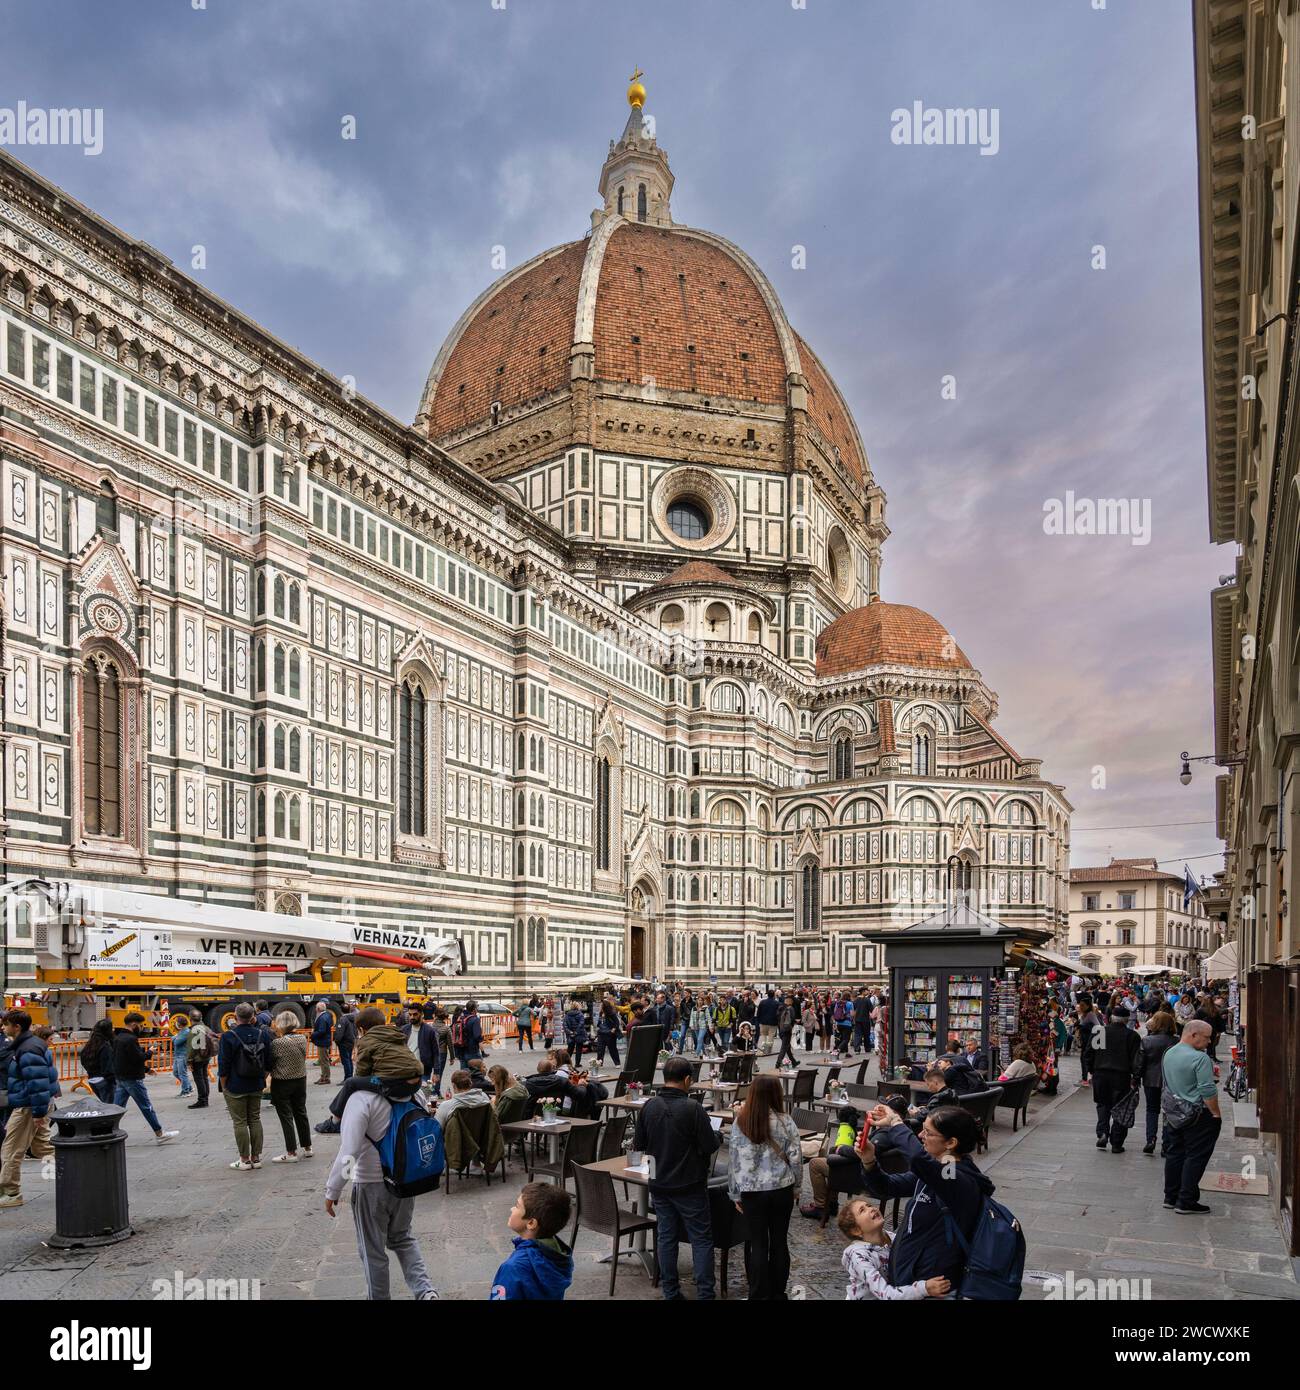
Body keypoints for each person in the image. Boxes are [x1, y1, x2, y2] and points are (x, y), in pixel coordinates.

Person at [324, 1069, 438, 1300]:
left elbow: (349, 1152)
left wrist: (334, 1188)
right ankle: (426, 1292)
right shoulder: (415, 1094)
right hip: (405, 1181)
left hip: (370, 1184)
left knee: (372, 1250)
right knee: (403, 1238)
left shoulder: (360, 1099)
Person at [858, 1104, 995, 1292]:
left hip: (932, 1286)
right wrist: (869, 1160)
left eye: (928, 1133)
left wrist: (895, 1122)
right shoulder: (940, 1170)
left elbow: (916, 1158)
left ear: (950, 1143)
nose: (921, 1136)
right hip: (911, 1281)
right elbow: (886, 1187)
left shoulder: (955, 1178)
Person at [633, 1055, 722, 1300]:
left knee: (666, 1236)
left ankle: (671, 1291)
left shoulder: (649, 1106)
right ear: (686, 1080)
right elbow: (709, 1145)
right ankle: (705, 1294)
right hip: (690, 1183)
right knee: (701, 1239)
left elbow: (639, 1144)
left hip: (659, 1182)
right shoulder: (693, 1108)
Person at [727, 1074, 801, 1299]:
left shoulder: (741, 1122)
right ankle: (778, 1293)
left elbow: (734, 1161)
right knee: (779, 1242)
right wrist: (797, 1188)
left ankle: (758, 1293)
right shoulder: (785, 1121)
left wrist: (734, 1194)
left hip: (752, 1191)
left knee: (757, 1243)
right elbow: (796, 1158)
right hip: (781, 1189)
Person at [0, 1009, 59, 1210]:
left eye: (6, 1024)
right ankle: (79, 1169)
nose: (3, 1027)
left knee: (11, 1150)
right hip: (35, 1104)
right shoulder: (30, 1045)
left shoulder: (27, 1048)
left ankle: (11, 1192)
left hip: (27, 1106)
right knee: (42, 1147)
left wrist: (38, 1113)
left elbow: (37, 1082)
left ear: (16, 1027)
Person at [1162, 1020, 1222, 1215]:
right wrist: (1215, 1112)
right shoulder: (1200, 1058)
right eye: (1206, 1037)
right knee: (1195, 1155)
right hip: (1196, 1113)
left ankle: (1170, 1196)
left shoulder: (1169, 1052)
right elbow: (1207, 1089)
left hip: (1175, 1112)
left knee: (1175, 1153)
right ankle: (1186, 1200)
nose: (1209, 1041)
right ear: (1194, 1035)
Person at [837, 1199, 952, 1301]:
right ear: (856, 1230)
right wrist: (924, 1288)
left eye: (869, 1205)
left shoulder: (894, 1237)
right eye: (862, 1210)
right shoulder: (858, 1256)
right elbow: (886, 1294)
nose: (871, 1209)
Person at [490, 1182, 574, 1300]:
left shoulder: (512, 1268)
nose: (512, 1208)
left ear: (531, 1223)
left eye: (518, 1206)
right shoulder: (559, 1254)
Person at [217, 1002, 272, 1170]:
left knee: (240, 1122)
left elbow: (223, 1064)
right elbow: (269, 1062)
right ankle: (256, 1158)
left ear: (235, 1017)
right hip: (256, 1083)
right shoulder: (263, 1034)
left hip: (235, 1084)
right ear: (253, 1017)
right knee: (255, 1118)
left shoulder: (228, 1036)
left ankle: (244, 1159)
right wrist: (262, 1078)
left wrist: (224, 1085)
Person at [111, 1012, 179, 1145]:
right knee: (146, 1106)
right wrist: (150, 1052)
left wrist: (147, 1070)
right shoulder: (130, 1039)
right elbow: (138, 1058)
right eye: (141, 1025)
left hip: (121, 1078)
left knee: (117, 1108)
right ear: (134, 1024)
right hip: (132, 1079)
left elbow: (124, 1060)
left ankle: (108, 1131)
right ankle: (159, 1133)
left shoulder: (118, 1038)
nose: (142, 1028)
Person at [1090, 1005, 1143, 1153]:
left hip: (1100, 1073)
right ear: (1127, 1020)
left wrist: (1092, 1070)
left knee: (1102, 1104)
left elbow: (1090, 1053)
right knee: (1121, 1107)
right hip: (1121, 1076)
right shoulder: (1132, 1036)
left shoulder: (1099, 1032)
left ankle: (1102, 1132)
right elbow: (1136, 1060)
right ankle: (1117, 1142)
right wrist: (1136, 1078)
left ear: (1111, 1018)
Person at [268, 1010, 313, 1163]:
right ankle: (307, 1147)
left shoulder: (277, 1043)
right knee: (301, 1112)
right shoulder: (302, 1038)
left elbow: (271, 1062)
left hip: (283, 1081)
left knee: (286, 1116)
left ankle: (291, 1152)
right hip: (300, 1079)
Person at [1140, 1010, 1178, 1156]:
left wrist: (1136, 1078)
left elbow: (1140, 1063)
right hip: (1170, 1080)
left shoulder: (1147, 1040)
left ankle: (1151, 1139)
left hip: (1151, 1079)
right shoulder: (1176, 1041)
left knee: (1151, 1110)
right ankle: (1166, 1144)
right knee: (1168, 1111)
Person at [80, 1018, 116, 1103]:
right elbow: (108, 1067)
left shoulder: (90, 1044)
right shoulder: (105, 1046)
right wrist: (112, 1080)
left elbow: (83, 1059)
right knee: (110, 1109)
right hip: (104, 1081)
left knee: (106, 1106)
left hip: (92, 1080)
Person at [400, 1005, 439, 1082]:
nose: (412, 1017)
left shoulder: (430, 1031)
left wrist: (436, 1072)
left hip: (424, 1070)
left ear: (421, 1014)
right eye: (410, 1014)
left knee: (422, 1092)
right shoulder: (404, 1029)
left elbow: (436, 1053)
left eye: (415, 1014)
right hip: (406, 1069)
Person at [187, 1010, 214, 1107]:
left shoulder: (194, 1030)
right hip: (206, 1056)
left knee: (199, 1079)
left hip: (197, 1058)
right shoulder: (206, 1028)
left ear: (190, 1019)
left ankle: (202, 1100)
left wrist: (189, 1061)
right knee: (204, 1078)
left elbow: (192, 1048)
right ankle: (205, 1098)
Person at [452, 1000, 484, 1067]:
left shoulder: (460, 1018)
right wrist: (481, 1039)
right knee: (477, 1071)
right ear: (474, 1009)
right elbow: (477, 1036)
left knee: (464, 1073)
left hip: (461, 1048)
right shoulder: (475, 1019)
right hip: (472, 1050)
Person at [310, 1002, 334, 1085]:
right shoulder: (328, 1015)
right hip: (325, 1041)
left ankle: (326, 1078)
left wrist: (312, 1034)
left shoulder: (322, 1017)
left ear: (318, 1009)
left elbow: (322, 1031)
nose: (315, 1009)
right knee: (323, 1060)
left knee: (324, 1061)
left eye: (316, 1008)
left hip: (323, 1042)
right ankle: (324, 1076)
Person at [594, 998, 622, 1067]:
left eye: (601, 1005)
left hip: (609, 1034)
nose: (600, 1006)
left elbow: (617, 1022)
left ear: (604, 1006)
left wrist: (614, 1029)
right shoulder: (601, 1013)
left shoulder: (611, 1013)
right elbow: (600, 1022)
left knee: (612, 1049)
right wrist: (598, 1027)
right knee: (600, 1049)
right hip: (601, 1033)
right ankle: (599, 1063)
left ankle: (617, 1063)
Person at [334, 1003, 358, 1080]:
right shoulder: (353, 1018)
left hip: (344, 1042)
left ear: (341, 1011)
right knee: (349, 1059)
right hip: (351, 1041)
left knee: (346, 1060)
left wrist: (337, 1041)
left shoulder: (342, 1020)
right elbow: (355, 1030)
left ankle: (347, 1078)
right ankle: (350, 1076)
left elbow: (339, 1033)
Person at [775, 993, 799, 1070]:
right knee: (784, 1047)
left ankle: (793, 1061)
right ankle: (778, 1062)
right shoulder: (790, 1008)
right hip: (787, 1030)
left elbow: (777, 1018)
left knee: (787, 1046)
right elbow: (792, 1019)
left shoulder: (780, 1007)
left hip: (781, 1029)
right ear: (791, 1002)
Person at [171, 1016, 193, 1097]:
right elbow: (174, 1038)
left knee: (182, 1073)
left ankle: (186, 1091)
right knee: (176, 1072)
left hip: (182, 1055)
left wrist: (175, 1037)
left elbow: (176, 1042)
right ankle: (189, 1087)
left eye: (177, 1022)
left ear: (179, 1024)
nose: (176, 1023)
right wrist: (175, 1037)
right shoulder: (182, 1031)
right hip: (178, 1055)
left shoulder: (186, 1032)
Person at [562, 1001, 588, 1065]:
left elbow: (565, 1025)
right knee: (579, 1049)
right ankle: (577, 1063)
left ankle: (566, 1063)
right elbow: (581, 1024)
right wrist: (576, 1032)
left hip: (570, 1035)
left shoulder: (567, 1015)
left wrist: (570, 1032)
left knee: (570, 1050)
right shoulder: (580, 1014)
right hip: (579, 1034)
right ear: (578, 1006)